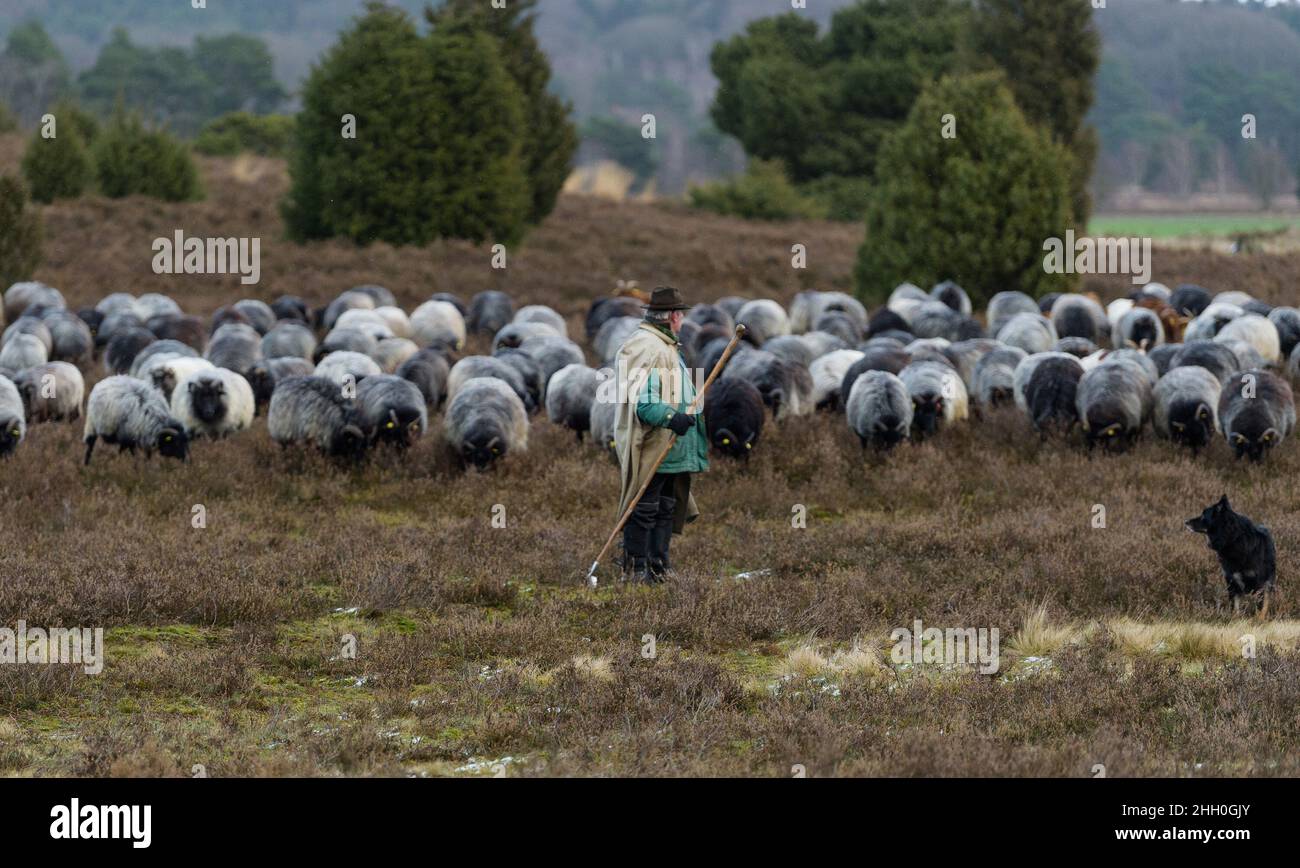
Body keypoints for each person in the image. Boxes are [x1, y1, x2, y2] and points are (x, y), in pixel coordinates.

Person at [612, 286, 709, 583]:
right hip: (654, 442)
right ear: (673, 317)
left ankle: (659, 565)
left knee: (667, 506)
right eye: (680, 314)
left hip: (673, 445)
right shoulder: (648, 346)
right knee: (645, 506)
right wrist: (671, 418)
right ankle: (637, 568)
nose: (681, 320)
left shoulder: (666, 345)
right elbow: (644, 401)